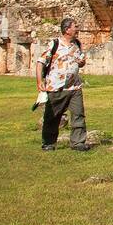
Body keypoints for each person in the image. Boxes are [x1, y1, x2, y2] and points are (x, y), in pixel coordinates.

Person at [37, 17, 90, 150]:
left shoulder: (76, 44)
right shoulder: (54, 44)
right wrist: (39, 81)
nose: (77, 29)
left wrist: (82, 62)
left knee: (78, 114)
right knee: (53, 116)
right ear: (67, 30)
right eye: (74, 27)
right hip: (56, 86)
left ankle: (78, 143)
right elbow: (40, 62)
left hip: (74, 86)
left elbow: (80, 61)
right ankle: (49, 143)